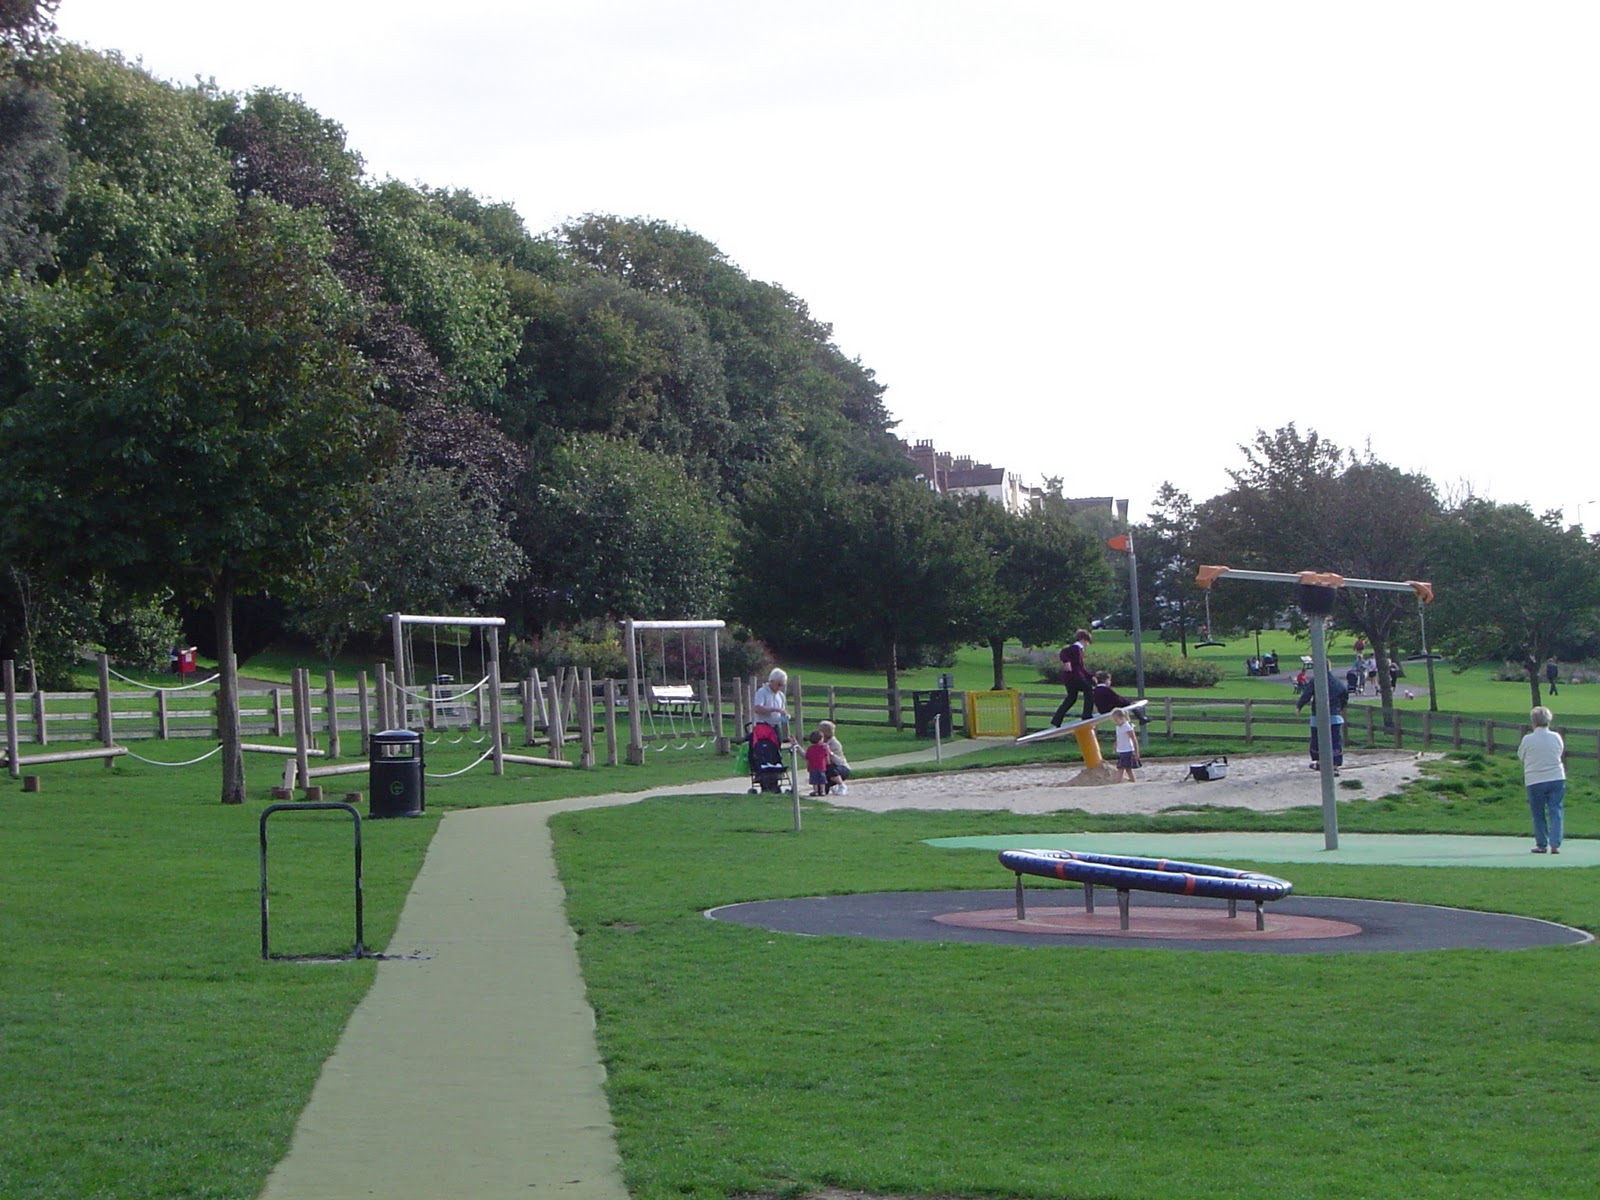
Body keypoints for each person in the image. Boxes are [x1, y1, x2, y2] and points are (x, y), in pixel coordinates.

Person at [1518, 706, 1566, 854]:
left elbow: (1521, 755)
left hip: (1535, 779)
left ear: (1533, 722)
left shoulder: (1528, 739)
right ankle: (1555, 844)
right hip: (1556, 777)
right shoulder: (1556, 736)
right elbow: (1560, 751)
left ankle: (1541, 844)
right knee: (1555, 810)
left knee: (1538, 813)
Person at [1295, 670, 1348, 770]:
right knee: (1335, 741)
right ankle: (1335, 766)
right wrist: (1339, 708)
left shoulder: (1316, 681)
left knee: (1316, 739)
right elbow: (1344, 696)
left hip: (1318, 716)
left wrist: (1299, 706)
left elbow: (1307, 694)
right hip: (1334, 716)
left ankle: (1319, 762)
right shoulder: (1337, 682)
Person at [1050, 628, 1095, 727]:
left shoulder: (1079, 650)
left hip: (1069, 678)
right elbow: (1063, 652)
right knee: (1089, 689)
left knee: (1071, 698)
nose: (1088, 644)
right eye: (1088, 642)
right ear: (1083, 640)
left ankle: (1056, 720)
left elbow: (1081, 667)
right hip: (1073, 677)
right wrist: (1066, 661)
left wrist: (1091, 676)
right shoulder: (1076, 648)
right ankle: (1087, 715)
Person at [752, 668, 790, 739]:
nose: (780, 687)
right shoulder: (762, 692)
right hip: (763, 726)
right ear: (772, 681)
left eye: (782, 685)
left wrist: (785, 717)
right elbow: (757, 709)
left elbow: (781, 718)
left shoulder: (781, 696)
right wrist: (775, 709)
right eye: (779, 684)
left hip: (776, 727)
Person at [817, 719, 850, 795]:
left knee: (829, 769)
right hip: (825, 768)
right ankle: (830, 786)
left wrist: (830, 753)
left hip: (840, 767)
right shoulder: (820, 742)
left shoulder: (835, 744)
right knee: (821, 788)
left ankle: (841, 785)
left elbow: (839, 761)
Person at [1112, 708, 1140, 783]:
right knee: (1128, 769)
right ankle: (1133, 781)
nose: (1115, 722)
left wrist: (1136, 752)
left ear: (1122, 718)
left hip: (1128, 750)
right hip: (1122, 750)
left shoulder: (1127, 727)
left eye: (1116, 720)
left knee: (1121, 768)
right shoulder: (1118, 726)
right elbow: (1119, 737)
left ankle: (1117, 782)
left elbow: (1134, 739)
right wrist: (1116, 744)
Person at [804, 729, 831, 796]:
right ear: (819, 740)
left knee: (814, 780)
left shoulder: (810, 749)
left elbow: (808, 758)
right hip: (821, 767)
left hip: (812, 767)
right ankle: (822, 791)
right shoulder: (823, 748)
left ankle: (815, 791)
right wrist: (828, 763)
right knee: (822, 780)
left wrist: (807, 766)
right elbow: (826, 756)